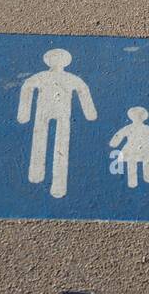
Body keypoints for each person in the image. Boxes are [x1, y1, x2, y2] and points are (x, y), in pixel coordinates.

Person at [17, 50, 97, 199]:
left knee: (58, 144)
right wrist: (24, 113)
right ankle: (38, 174)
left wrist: (90, 112)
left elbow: (83, 90)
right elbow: (27, 88)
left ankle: (54, 182)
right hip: (48, 112)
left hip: (59, 114)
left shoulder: (54, 77)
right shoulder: (48, 77)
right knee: (44, 140)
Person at [109, 107, 149, 189]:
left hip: (138, 148)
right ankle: (138, 181)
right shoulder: (136, 128)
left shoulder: (140, 128)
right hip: (138, 148)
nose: (137, 118)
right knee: (133, 162)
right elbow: (120, 135)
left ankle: (144, 180)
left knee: (141, 162)